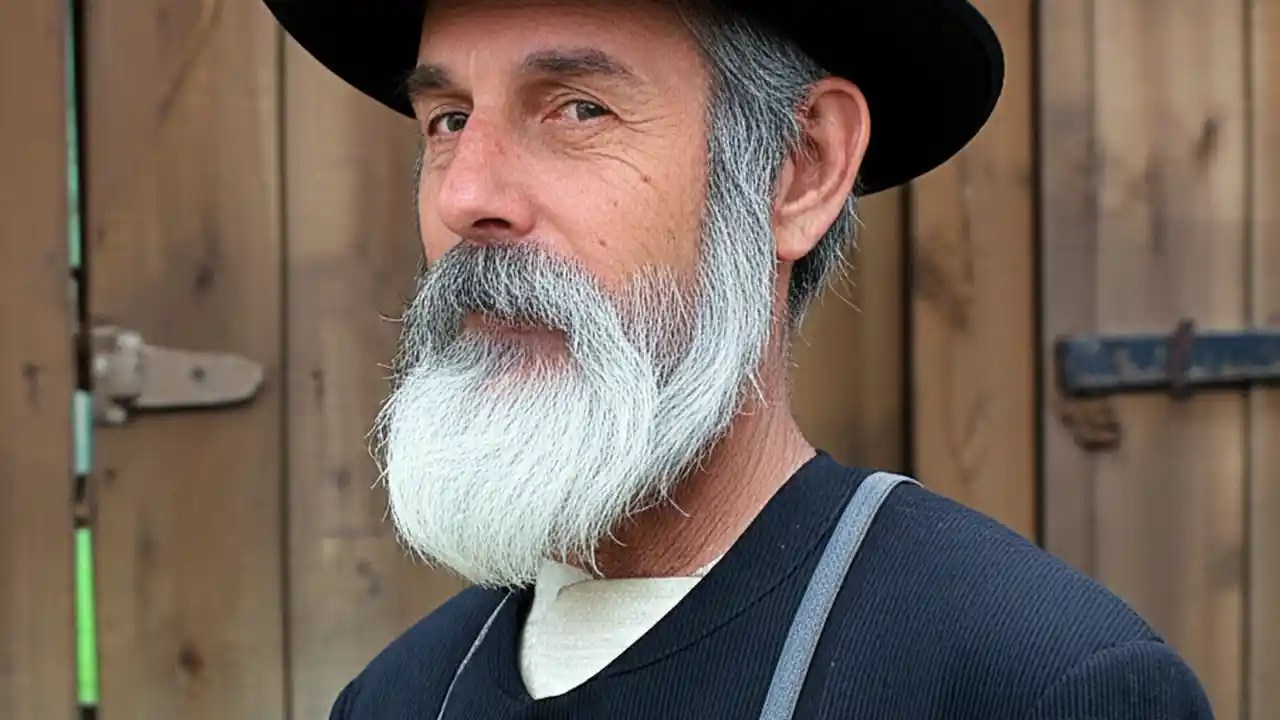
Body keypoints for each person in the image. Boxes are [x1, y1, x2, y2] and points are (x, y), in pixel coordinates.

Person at [265, 0, 1214, 717]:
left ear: (799, 169)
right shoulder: (399, 699)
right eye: (447, 120)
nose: (466, 196)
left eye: (579, 109)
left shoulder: (1035, 685)